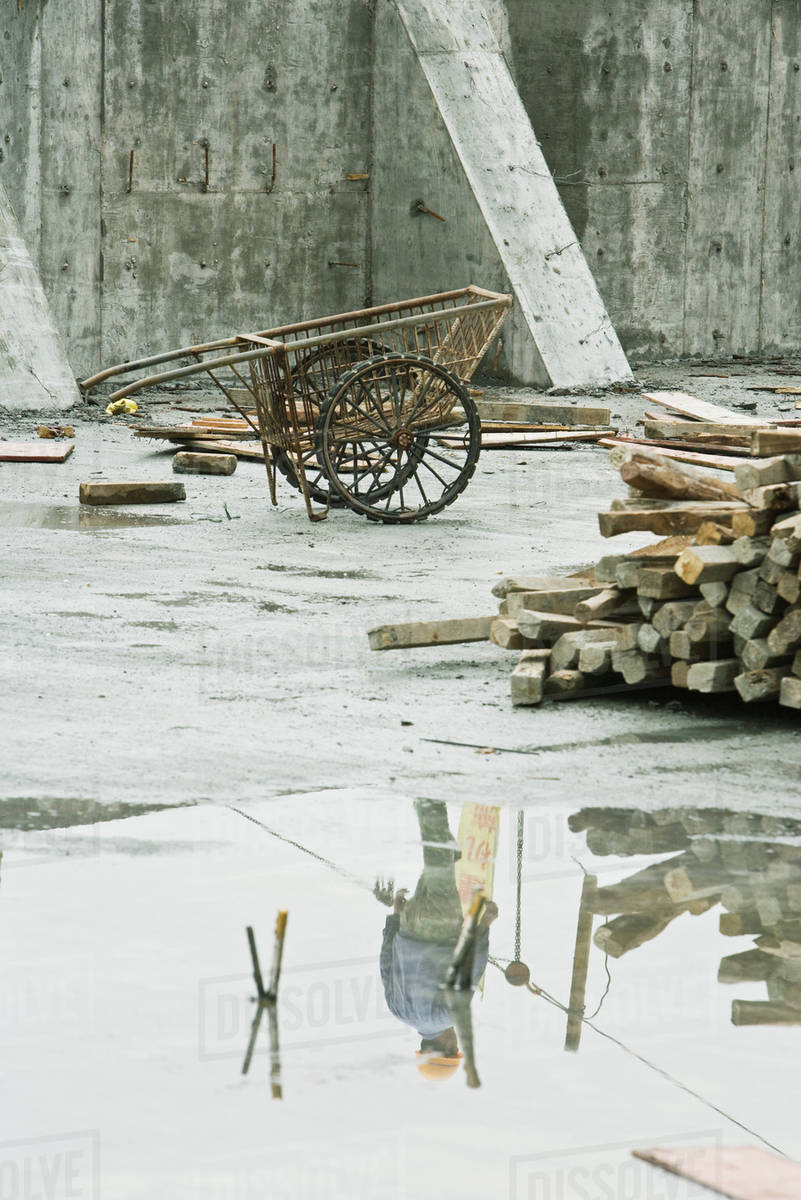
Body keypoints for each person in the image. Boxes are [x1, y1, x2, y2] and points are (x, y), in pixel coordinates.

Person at [375, 799, 498, 1080]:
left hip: (442, 928)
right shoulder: (398, 1011)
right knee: (437, 865)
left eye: (455, 1048)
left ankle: (430, 798)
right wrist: (395, 918)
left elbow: (470, 970)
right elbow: (386, 966)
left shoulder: (447, 1016)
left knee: (437, 860)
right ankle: (428, 808)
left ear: (448, 1046)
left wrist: (485, 925)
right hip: (410, 925)